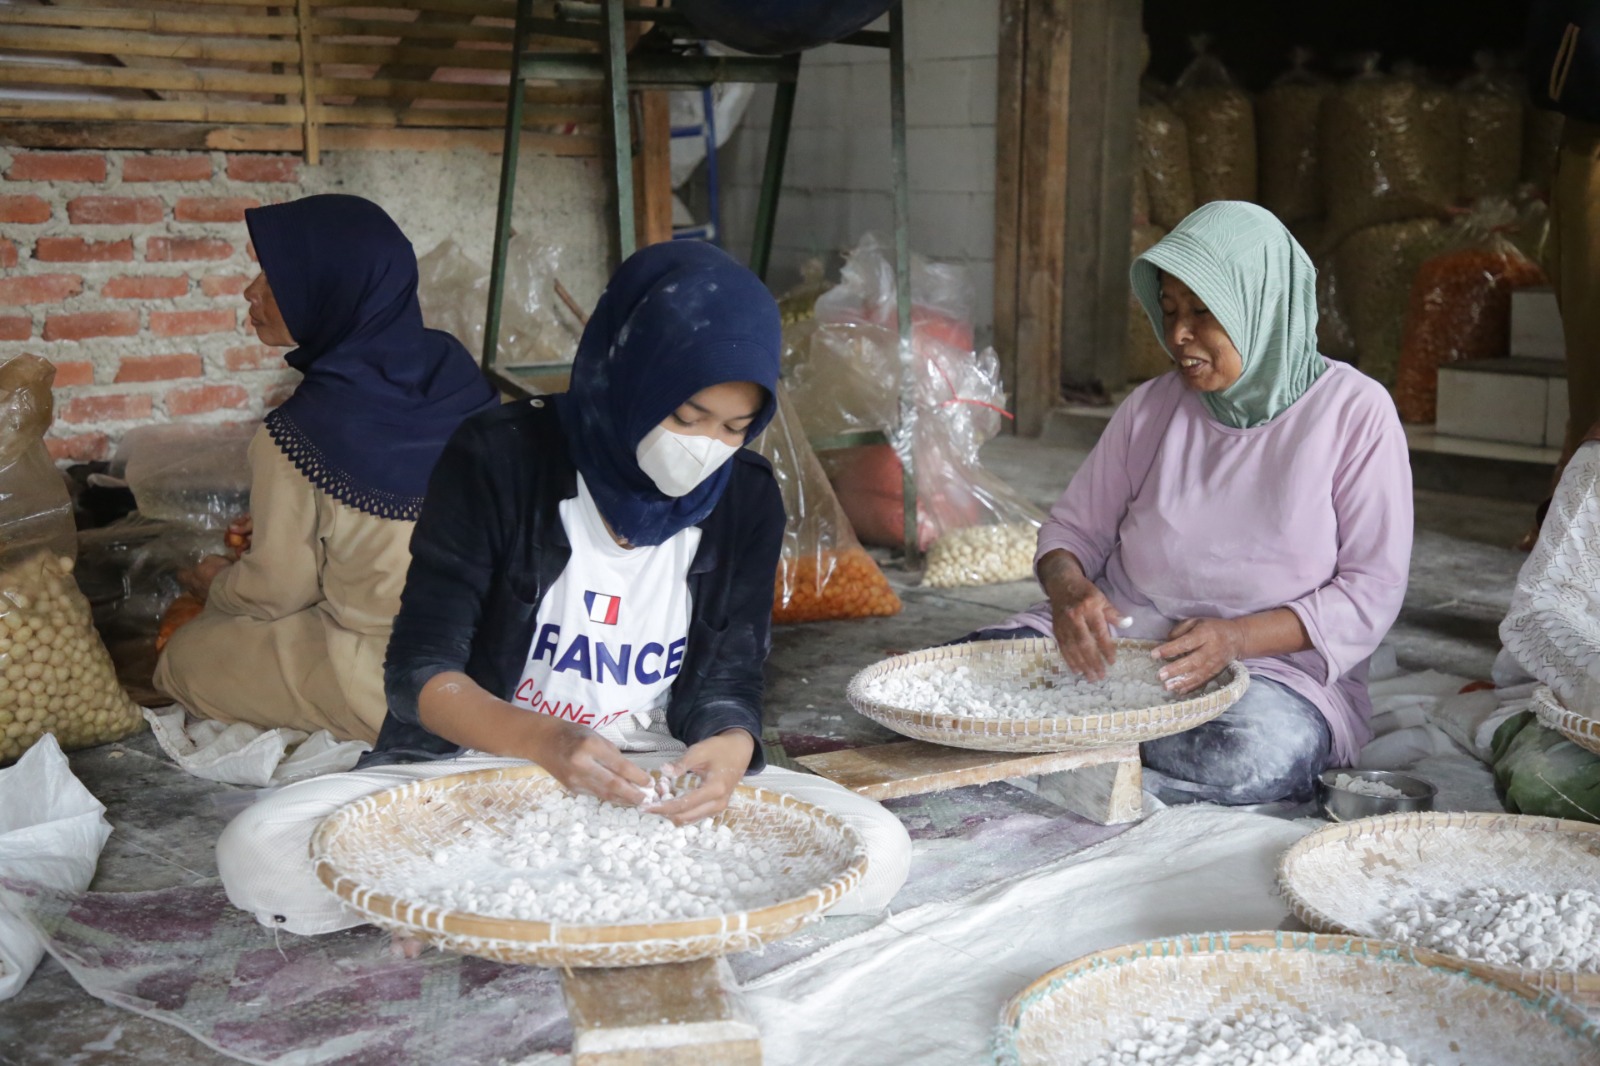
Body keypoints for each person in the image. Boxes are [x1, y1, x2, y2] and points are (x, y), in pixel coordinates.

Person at [214, 241, 911, 935]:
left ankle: (513, 905)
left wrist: (726, 755)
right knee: (263, 852)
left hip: (650, 768)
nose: (704, 449)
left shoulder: (745, 498)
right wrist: (545, 743)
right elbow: (419, 673)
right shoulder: (498, 457)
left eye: (734, 428)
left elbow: (729, 677)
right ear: (629, 376)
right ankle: (627, 907)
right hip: (486, 761)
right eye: (686, 417)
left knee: (877, 853)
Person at [956, 202, 1413, 806]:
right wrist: (1069, 592)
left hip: (1269, 675)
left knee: (1258, 754)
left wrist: (1236, 640)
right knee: (956, 677)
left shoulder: (1355, 411)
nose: (1177, 336)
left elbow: (1370, 592)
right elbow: (1072, 531)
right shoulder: (1153, 406)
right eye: (1169, 311)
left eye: (1203, 312)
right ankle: (1099, 748)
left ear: (1262, 305)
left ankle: (1059, 744)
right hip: (1118, 650)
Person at [154, 194, 498, 743]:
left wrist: (215, 582)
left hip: (397, 679)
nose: (251, 291)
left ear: (334, 291)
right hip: (502, 661)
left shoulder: (300, 431)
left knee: (185, 654)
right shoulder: (460, 377)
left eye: (273, 276)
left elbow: (276, 593)